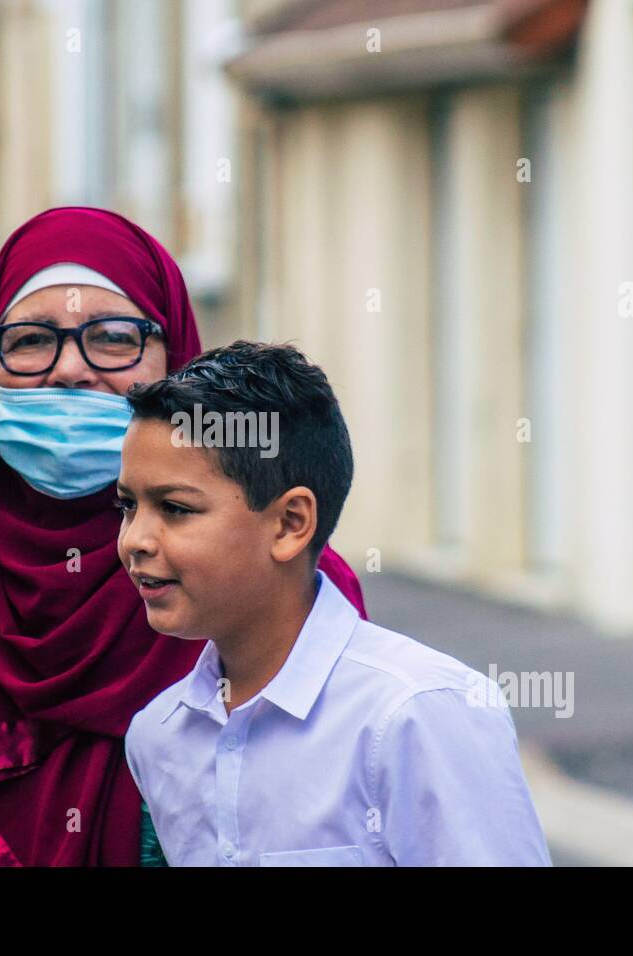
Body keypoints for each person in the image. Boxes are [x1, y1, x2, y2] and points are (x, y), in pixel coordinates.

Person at [0, 207, 368, 866]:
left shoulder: (270, 559)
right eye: (32, 339)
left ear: (175, 355)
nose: (69, 369)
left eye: (114, 338)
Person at [118, 342, 551, 865]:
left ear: (290, 523)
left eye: (175, 508)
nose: (135, 539)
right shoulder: (158, 736)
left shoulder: (417, 714)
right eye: (127, 506)